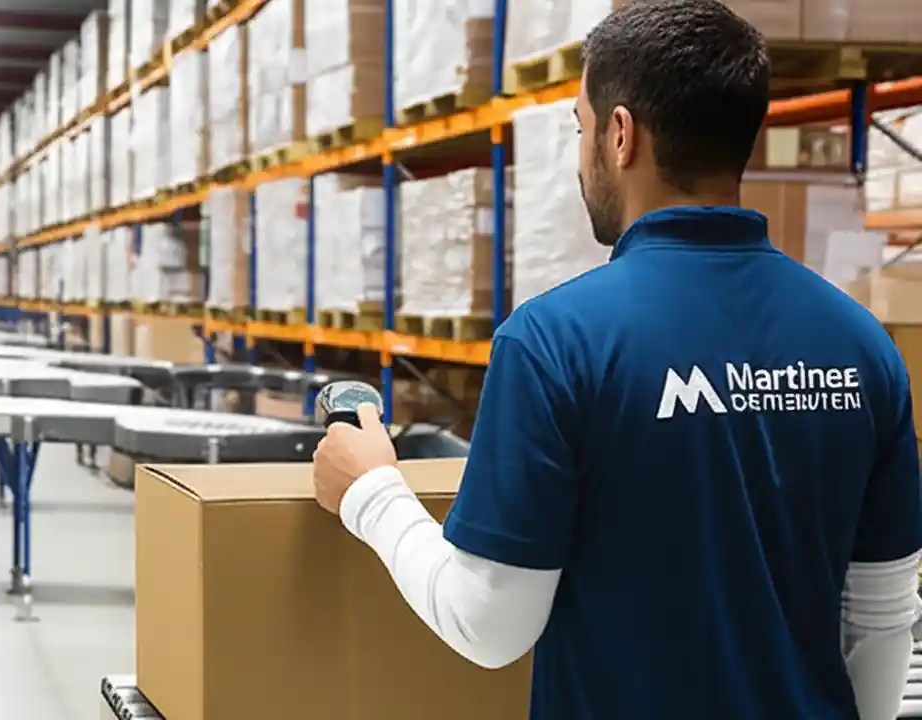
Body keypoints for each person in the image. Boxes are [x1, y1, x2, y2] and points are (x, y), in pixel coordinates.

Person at [310, 1, 922, 718]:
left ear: (622, 135)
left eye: (580, 129)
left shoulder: (555, 343)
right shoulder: (861, 346)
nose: (581, 156)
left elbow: (488, 622)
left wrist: (371, 492)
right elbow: (881, 622)